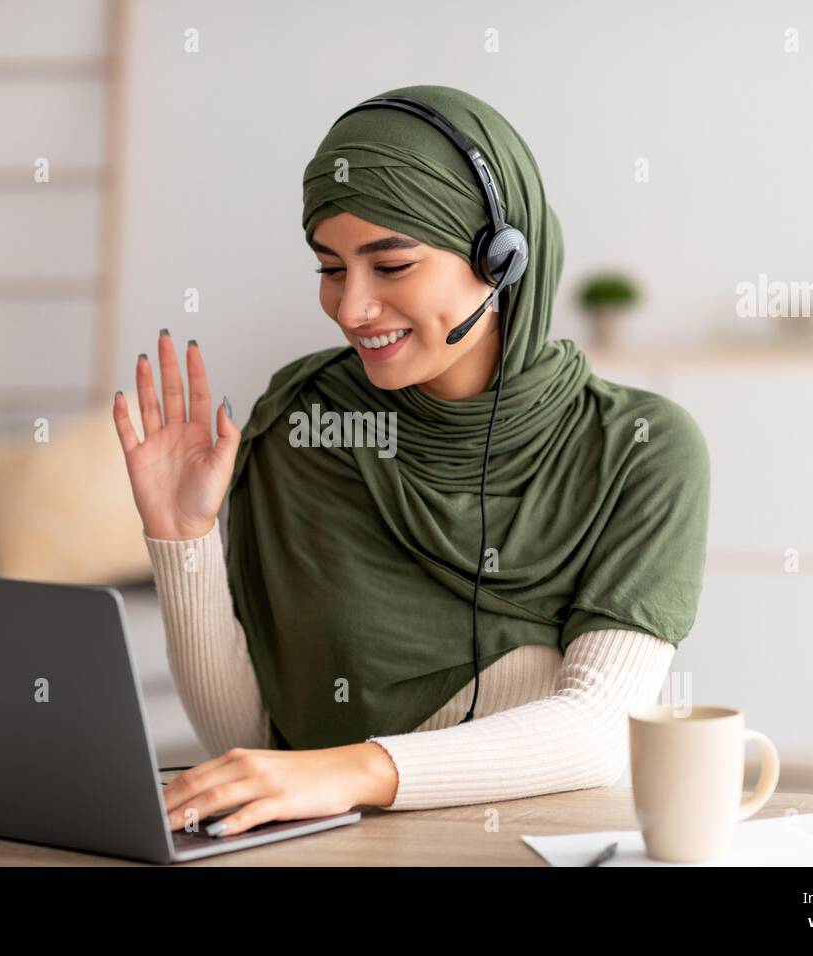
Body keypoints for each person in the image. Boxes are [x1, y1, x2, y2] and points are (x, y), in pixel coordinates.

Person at [111, 84, 709, 839]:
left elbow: (595, 730)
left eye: (390, 266)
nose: (351, 308)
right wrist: (182, 537)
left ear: (502, 258)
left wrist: (357, 769)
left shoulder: (640, 449)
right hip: (333, 851)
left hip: (534, 849)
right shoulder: (308, 423)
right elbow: (259, 742)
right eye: (330, 268)